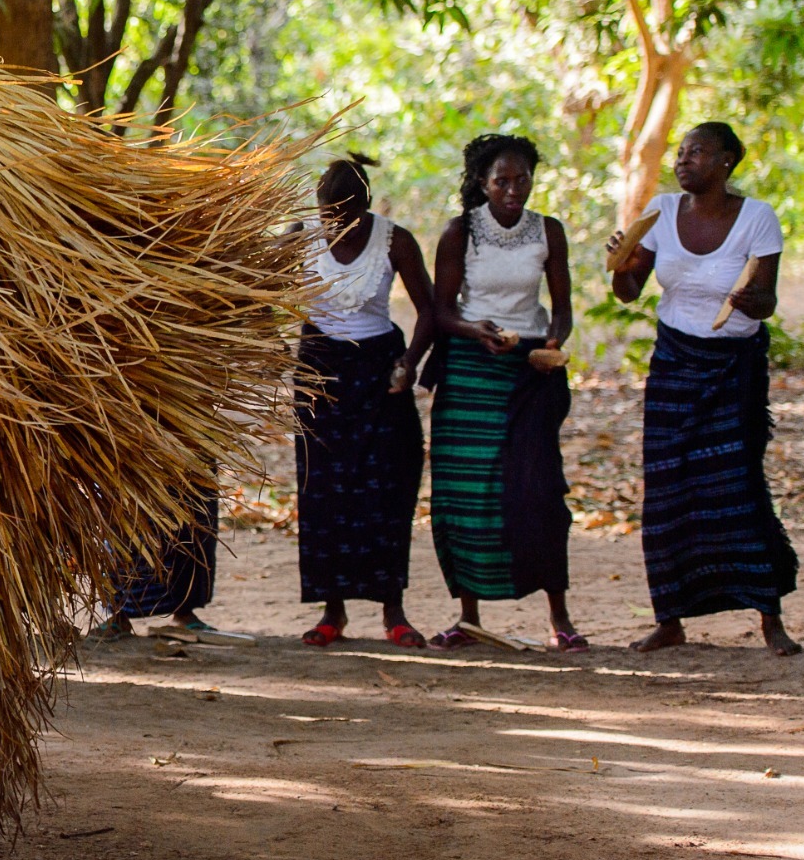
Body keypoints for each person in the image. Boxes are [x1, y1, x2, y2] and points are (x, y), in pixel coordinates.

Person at [609, 122, 797, 655]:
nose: (683, 159)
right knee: (667, 489)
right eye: (681, 151)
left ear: (726, 162)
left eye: (697, 152)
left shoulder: (757, 218)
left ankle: (769, 618)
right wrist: (619, 261)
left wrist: (745, 302)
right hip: (674, 363)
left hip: (732, 370)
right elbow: (628, 291)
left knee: (737, 487)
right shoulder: (663, 212)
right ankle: (670, 620)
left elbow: (767, 304)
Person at [425, 134, 583, 651]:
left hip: (531, 370)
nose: (513, 190)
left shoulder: (548, 231)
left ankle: (560, 618)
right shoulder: (460, 232)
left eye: (522, 180)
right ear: (482, 183)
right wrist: (478, 331)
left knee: (537, 491)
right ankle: (468, 614)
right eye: (502, 181)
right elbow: (441, 311)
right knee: (465, 492)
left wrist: (555, 340)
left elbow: (562, 306)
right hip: (472, 368)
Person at [293, 156, 436, 648]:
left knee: (387, 490)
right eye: (328, 212)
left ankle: (393, 609)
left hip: (379, 374)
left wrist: (410, 362)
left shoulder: (395, 240)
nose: (336, 223)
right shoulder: (299, 237)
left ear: (367, 205)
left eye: (347, 213)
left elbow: (430, 311)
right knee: (323, 492)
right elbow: (251, 288)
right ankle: (332, 612)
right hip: (319, 375)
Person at [92, 483, 221, 639]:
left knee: (190, 523)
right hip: (126, 466)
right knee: (124, 521)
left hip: (186, 464)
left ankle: (184, 612)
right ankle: (119, 614)